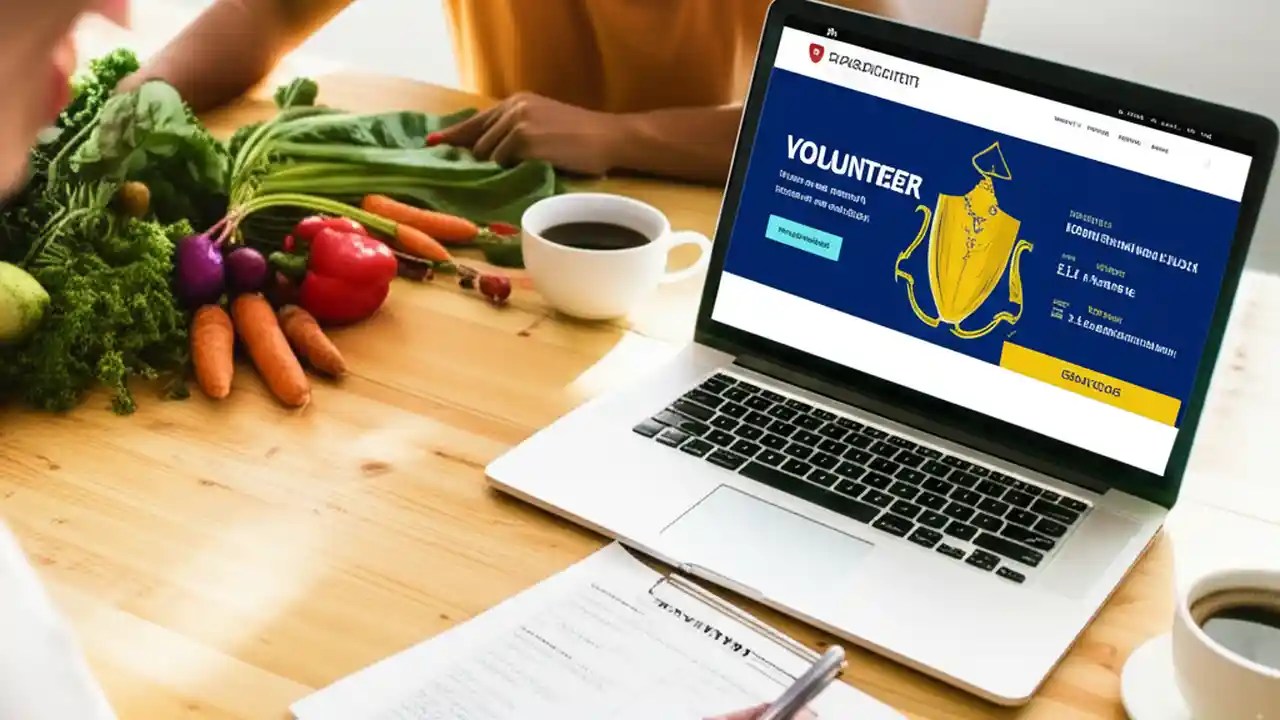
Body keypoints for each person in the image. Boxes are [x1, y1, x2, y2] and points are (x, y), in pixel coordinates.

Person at [122, 0, 986, 184]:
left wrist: (619, 137)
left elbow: (881, 121)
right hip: (494, 204)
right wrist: (138, 96)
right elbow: (267, 13)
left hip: (688, 224)